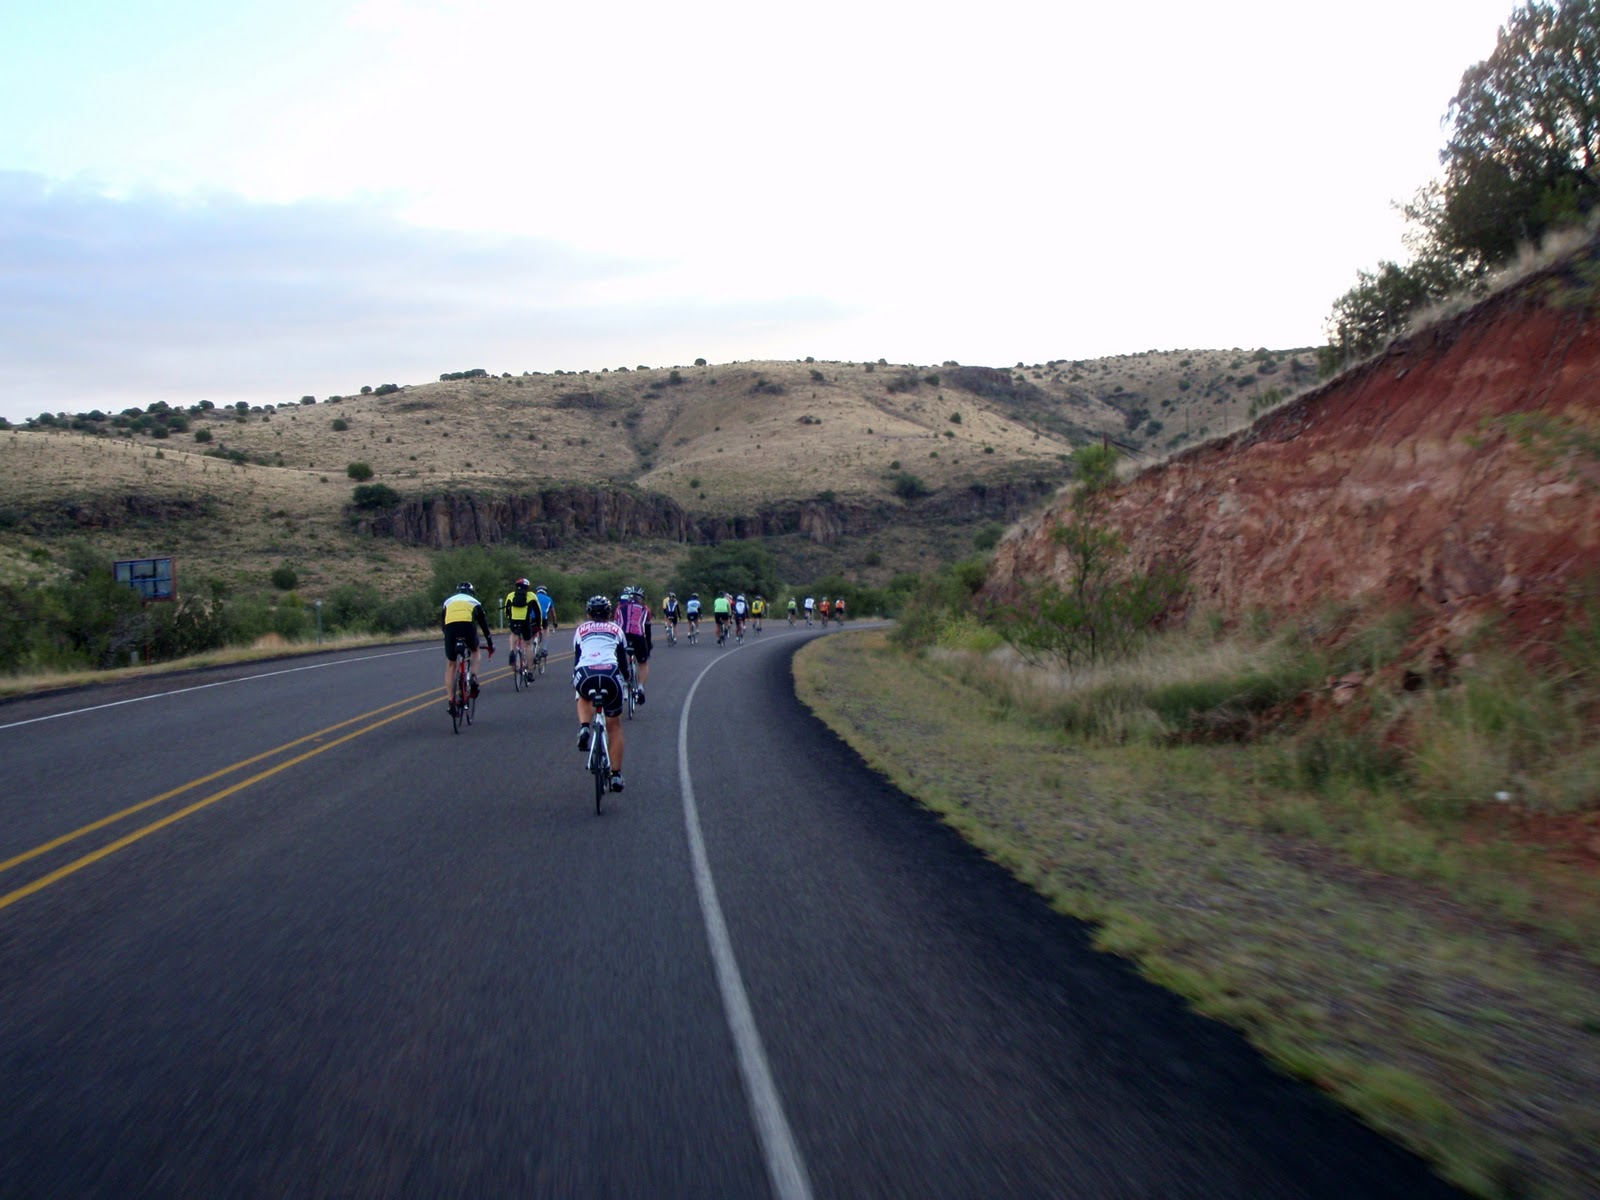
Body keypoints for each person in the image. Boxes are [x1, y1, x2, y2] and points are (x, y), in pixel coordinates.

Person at [572, 595, 630, 792]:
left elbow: (577, 659)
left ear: (588, 614)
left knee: (582, 695)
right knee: (614, 727)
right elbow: (623, 663)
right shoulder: (616, 629)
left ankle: (585, 727)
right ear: (609, 614)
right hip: (610, 675)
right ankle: (615, 775)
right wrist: (628, 680)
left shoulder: (581, 630)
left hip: (586, 674)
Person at [441, 581, 494, 712]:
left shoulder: (448, 602)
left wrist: (449, 637)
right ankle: (474, 678)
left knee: (451, 664)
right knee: (475, 651)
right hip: (467, 627)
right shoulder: (475, 602)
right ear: (471, 592)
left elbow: (443, 623)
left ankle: (450, 701)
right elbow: (484, 625)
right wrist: (490, 643)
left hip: (450, 629)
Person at [615, 585, 653, 705]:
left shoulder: (619, 608)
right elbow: (647, 630)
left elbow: (615, 626)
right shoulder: (645, 609)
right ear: (641, 598)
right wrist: (648, 644)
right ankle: (640, 687)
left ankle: (624, 679)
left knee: (618, 658)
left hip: (623, 636)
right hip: (638, 637)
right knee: (643, 663)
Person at [504, 577, 537, 680]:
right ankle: (530, 671)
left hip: (514, 621)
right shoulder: (531, 596)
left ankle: (512, 651)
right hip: (525, 622)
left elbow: (506, 611)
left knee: (514, 634)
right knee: (528, 644)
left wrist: (510, 618)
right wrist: (538, 624)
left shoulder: (510, 595)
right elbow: (538, 610)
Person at [533, 585, 556, 659]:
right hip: (542, 618)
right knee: (546, 629)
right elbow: (553, 613)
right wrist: (554, 622)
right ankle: (544, 648)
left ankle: (532, 643)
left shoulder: (533, 597)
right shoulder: (549, 599)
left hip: (532, 618)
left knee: (532, 630)